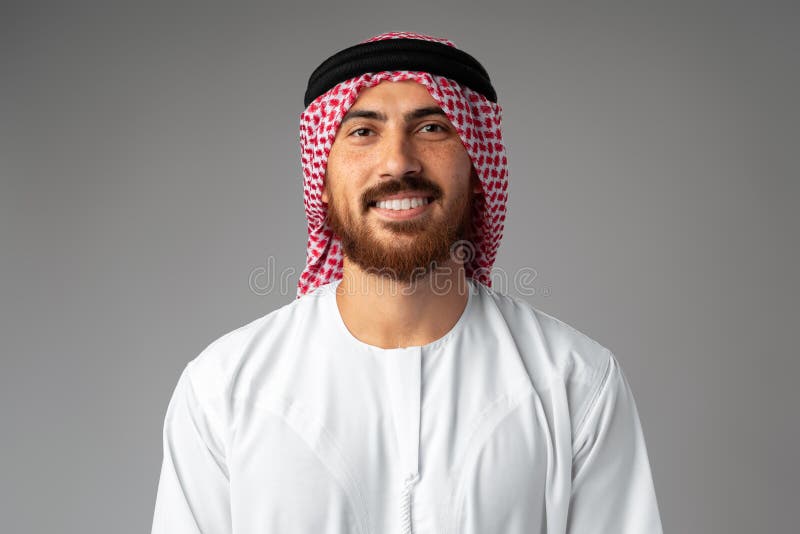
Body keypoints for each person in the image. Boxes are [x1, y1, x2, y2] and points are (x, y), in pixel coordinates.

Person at [151, 32, 664, 534]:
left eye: (433, 128)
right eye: (362, 132)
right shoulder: (225, 390)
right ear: (323, 181)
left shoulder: (573, 384)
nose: (398, 161)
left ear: (477, 167)